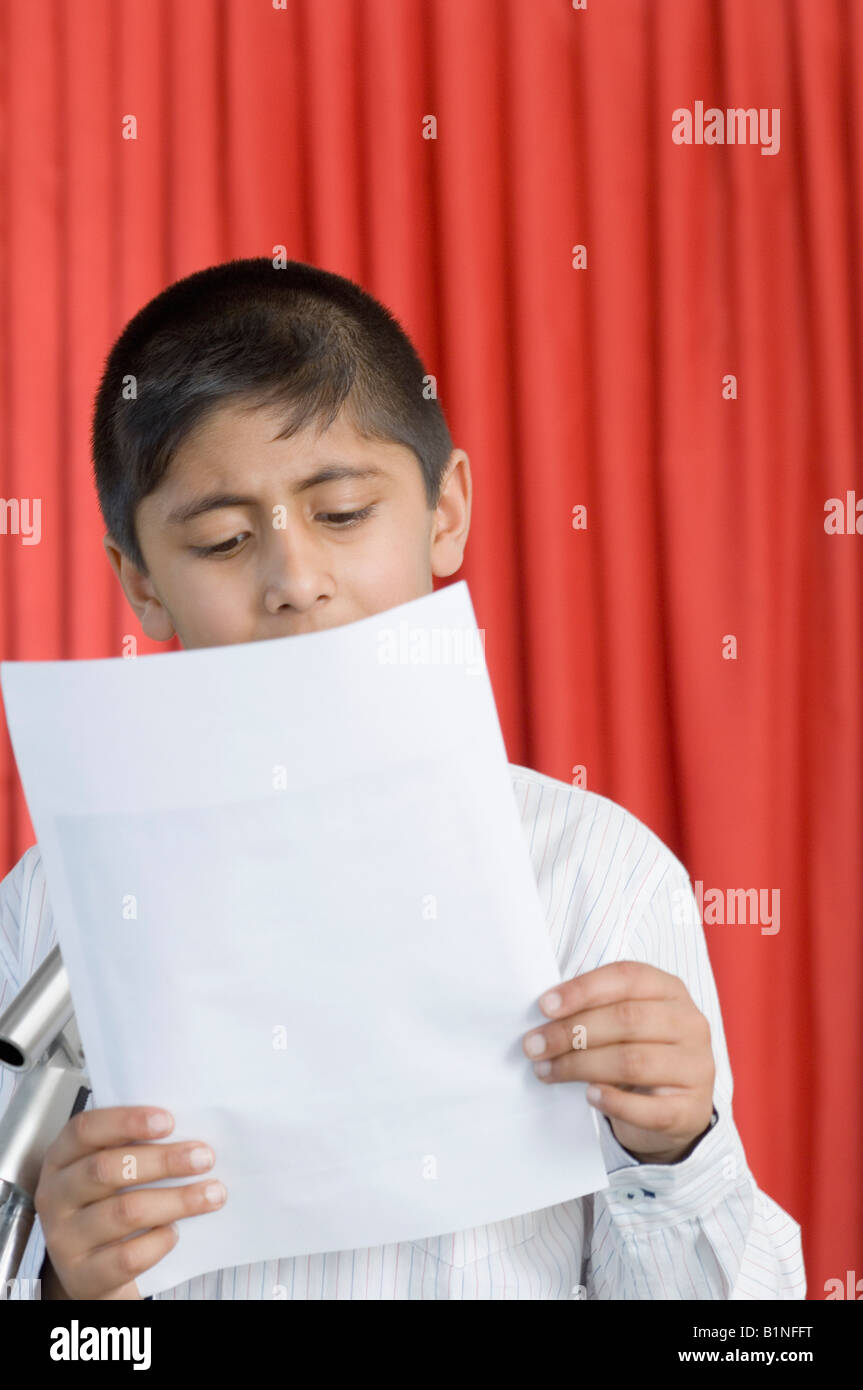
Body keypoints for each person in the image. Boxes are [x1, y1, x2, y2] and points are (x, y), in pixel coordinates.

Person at [1, 258, 805, 1300]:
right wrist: (65, 1287)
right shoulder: (52, 907)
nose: (295, 581)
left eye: (340, 513)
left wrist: (675, 1148)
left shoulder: (593, 871)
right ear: (141, 581)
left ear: (443, 511)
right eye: (223, 539)